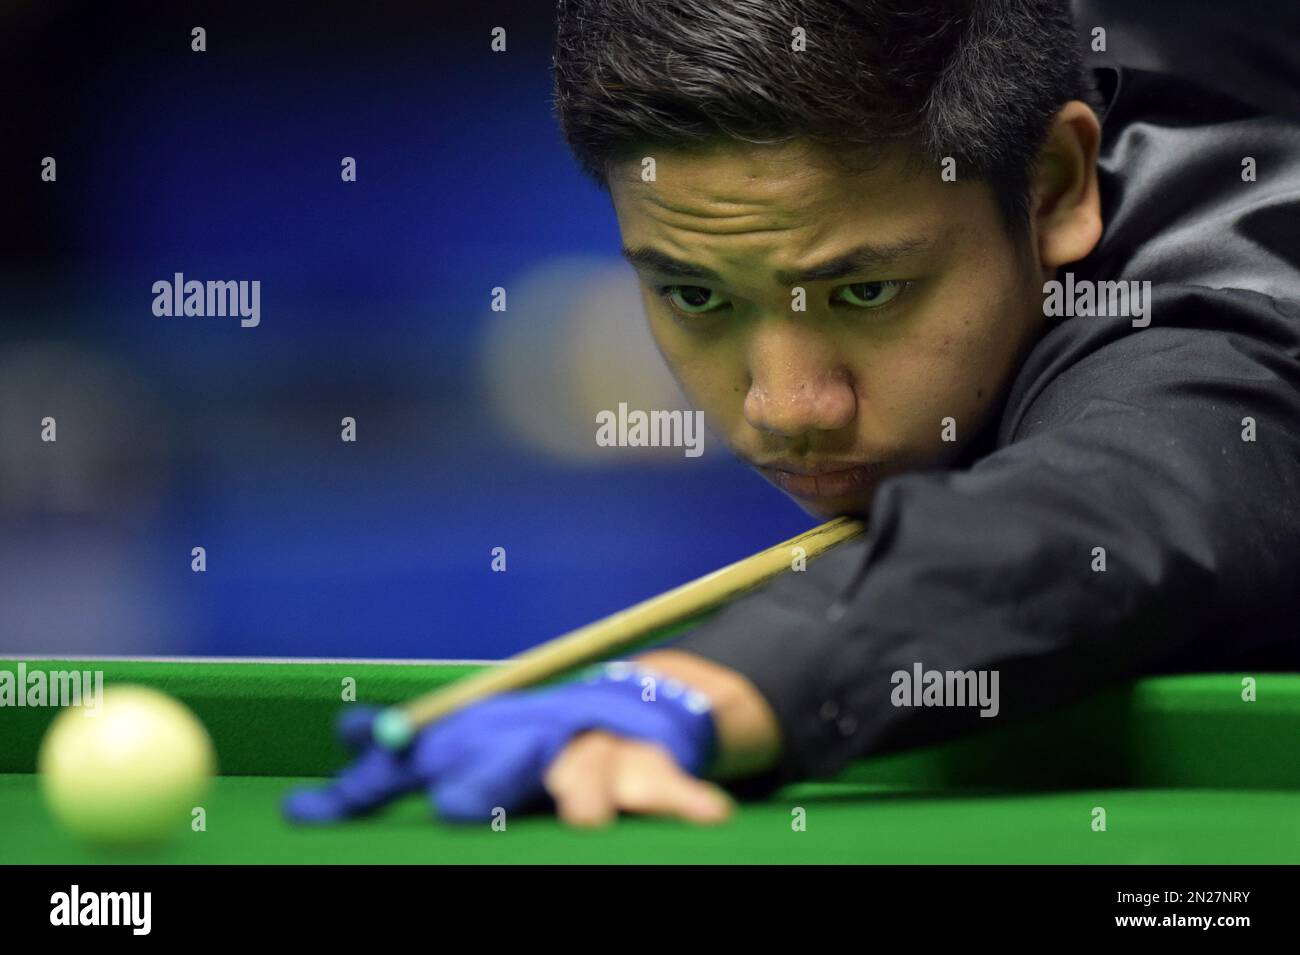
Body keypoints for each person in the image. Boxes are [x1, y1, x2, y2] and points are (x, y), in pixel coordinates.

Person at [285, 0, 1300, 828]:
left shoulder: (1225, 311)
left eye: (865, 293)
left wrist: (731, 677)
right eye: (696, 295)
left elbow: (1119, 497)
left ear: (1053, 187)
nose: (784, 410)